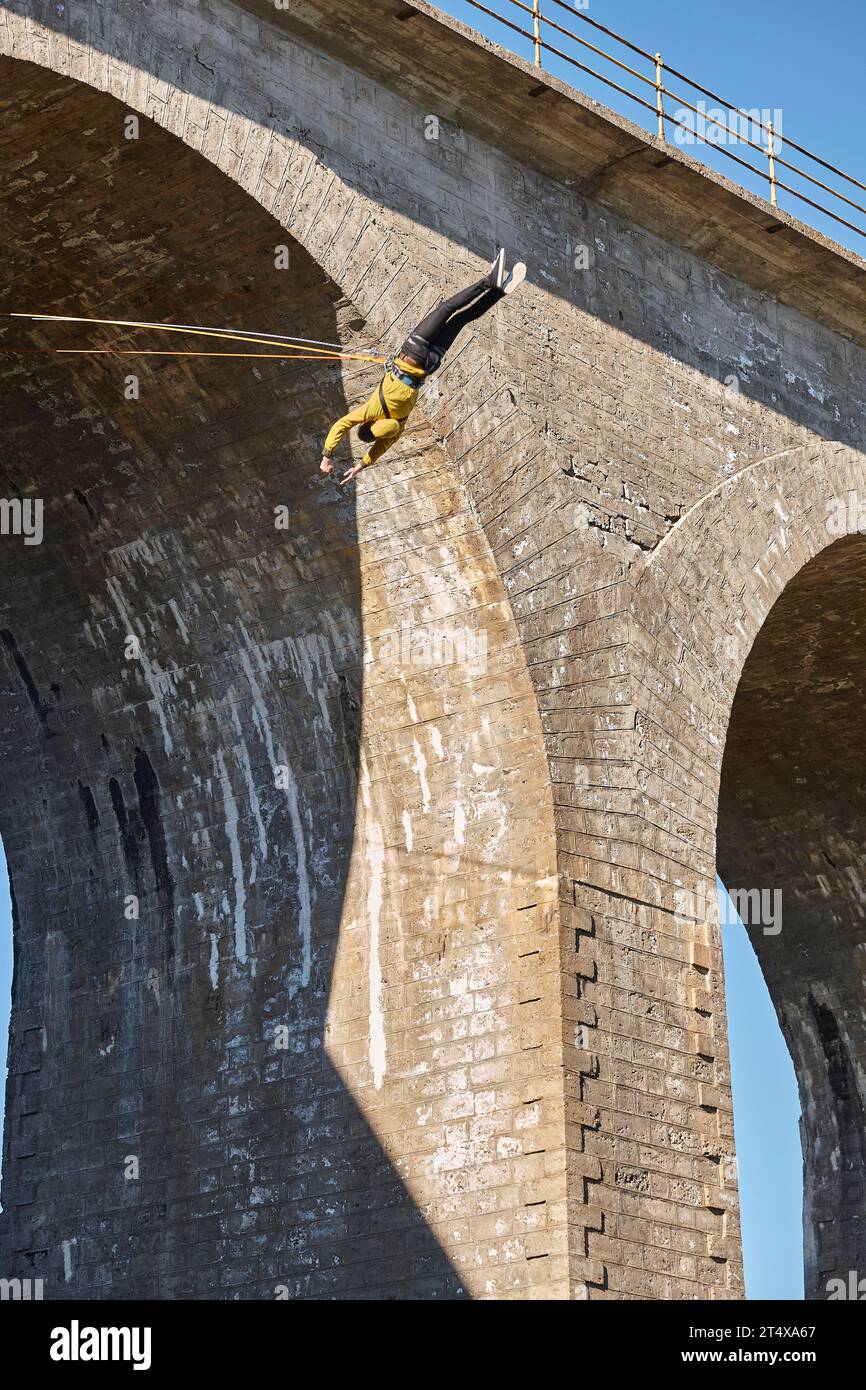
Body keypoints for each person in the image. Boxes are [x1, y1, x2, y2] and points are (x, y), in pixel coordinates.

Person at [320, 249, 526, 485]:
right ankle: (489, 281)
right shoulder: (373, 410)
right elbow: (342, 424)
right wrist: (327, 455)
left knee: (461, 319)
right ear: (368, 423)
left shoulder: (399, 423)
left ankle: (497, 292)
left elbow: (382, 446)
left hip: (430, 363)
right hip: (414, 351)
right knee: (447, 308)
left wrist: (362, 465)